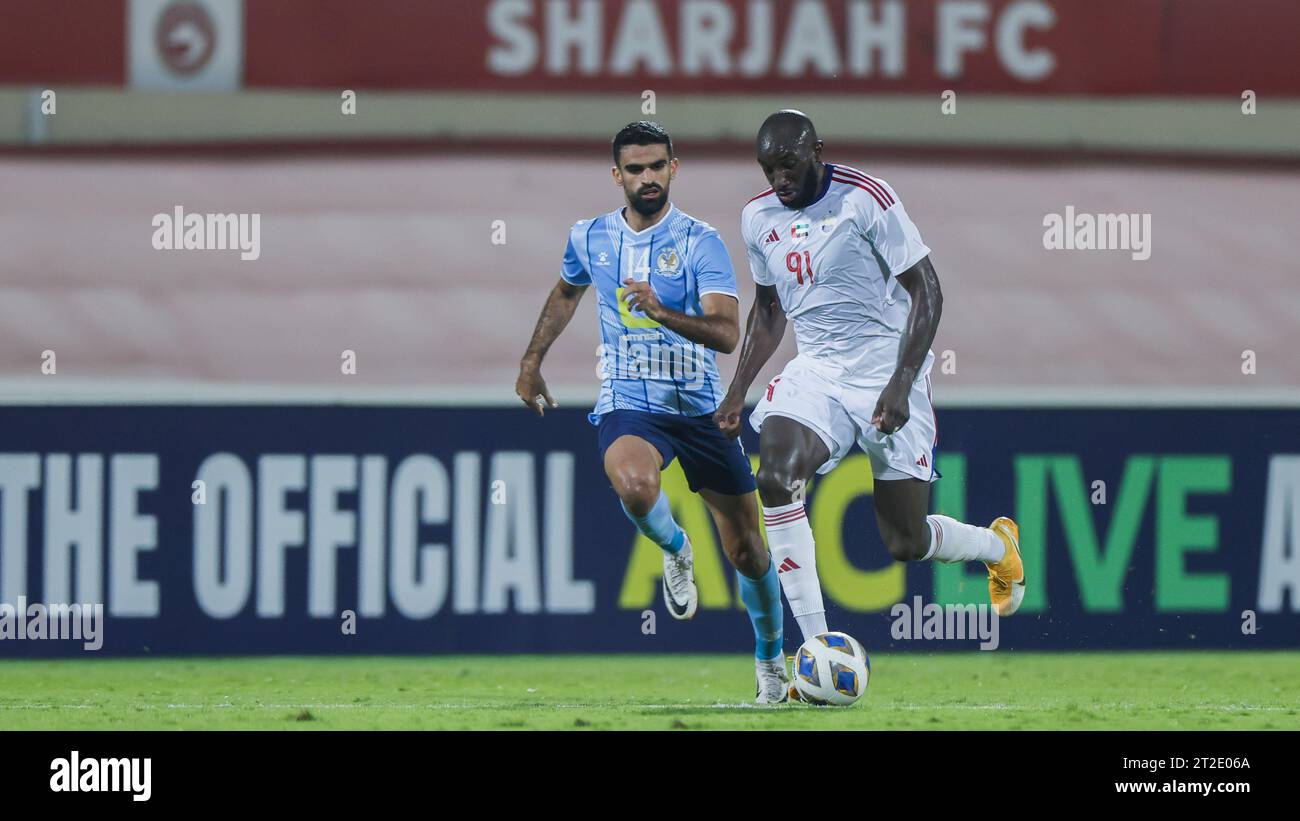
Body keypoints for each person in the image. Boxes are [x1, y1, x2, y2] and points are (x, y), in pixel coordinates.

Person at [715, 111, 1026, 693]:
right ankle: (815, 646)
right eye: (768, 168)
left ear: (817, 152)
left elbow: (927, 290)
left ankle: (994, 544)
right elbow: (769, 309)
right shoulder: (757, 217)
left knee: (904, 541)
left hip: (887, 366)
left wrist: (902, 382)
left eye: (789, 164)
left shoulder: (866, 199)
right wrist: (738, 390)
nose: (779, 178)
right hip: (817, 372)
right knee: (776, 478)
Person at [515, 121, 789, 703]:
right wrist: (533, 358)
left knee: (749, 550)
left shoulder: (700, 242)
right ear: (617, 176)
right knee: (635, 486)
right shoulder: (589, 237)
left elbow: (725, 332)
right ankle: (676, 550)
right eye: (635, 169)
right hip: (629, 401)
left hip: (697, 410)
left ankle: (771, 666)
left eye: (656, 166)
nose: (647, 177)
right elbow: (567, 291)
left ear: (673, 169)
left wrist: (663, 312)